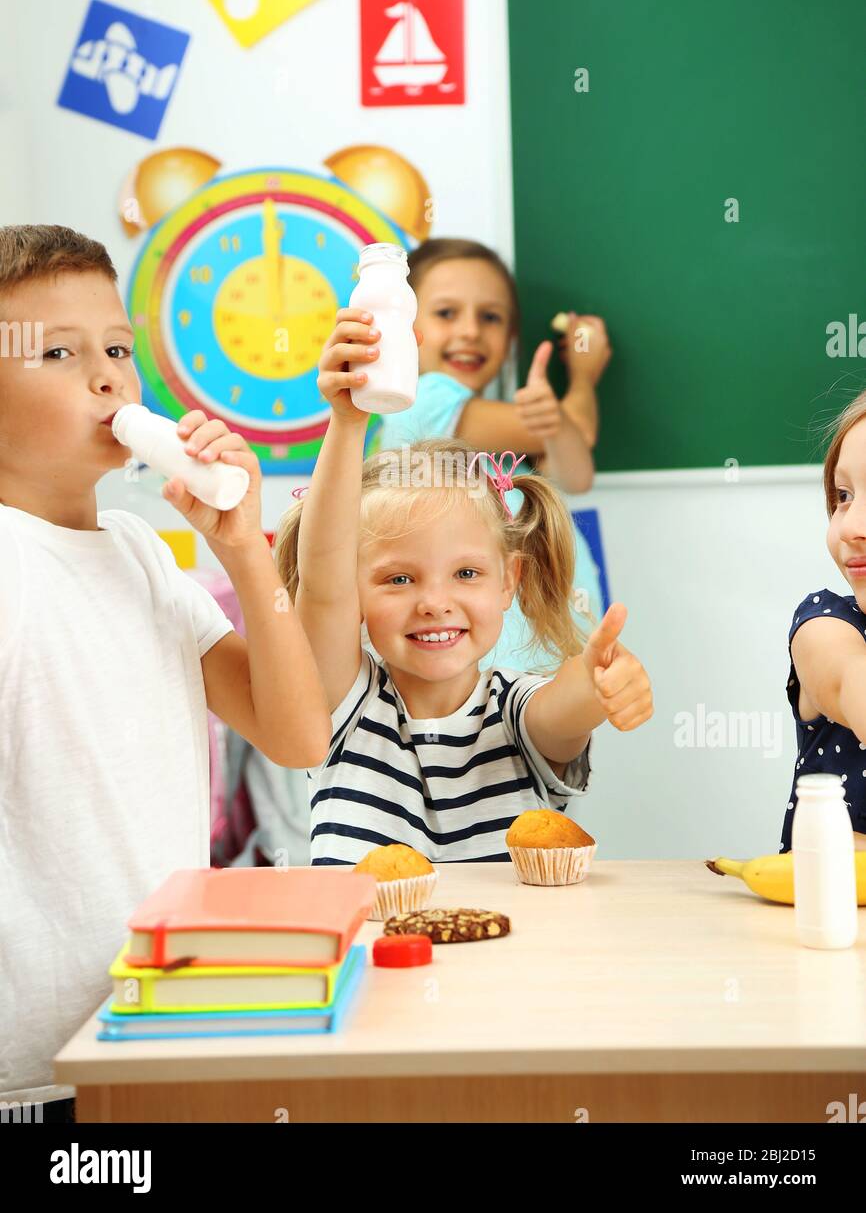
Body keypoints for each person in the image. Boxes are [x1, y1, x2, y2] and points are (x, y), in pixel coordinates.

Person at [0, 225, 331, 1117]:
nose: (107, 376)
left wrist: (247, 550)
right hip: (34, 1068)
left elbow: (297, 735)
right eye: (59, 353)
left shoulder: (141, 551)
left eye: (116, 348)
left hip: (152, 1032)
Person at [274, 304, 652, 865]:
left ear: (509, 581)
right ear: (355, 593)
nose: (434, 602)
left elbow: (560, 714)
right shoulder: (341, 704)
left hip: (505, 954)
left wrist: (597, 684)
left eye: (466, 574)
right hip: (371, 954)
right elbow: (323, 580)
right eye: (399, 578)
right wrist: (348, 420)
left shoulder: (515, 708)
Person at [378, 237, 611, 668]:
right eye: (446, 313)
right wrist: (583, 374)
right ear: (406, 327)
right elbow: (580, 430)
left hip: (545, 682)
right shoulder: (421, 400)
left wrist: (554, 421)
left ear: (510, 338)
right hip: (485, 696)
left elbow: (576, 475)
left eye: (490, 317)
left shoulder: (502, 458)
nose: (469, 331)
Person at [782, 392, 866, 852]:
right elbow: (855, 682)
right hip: (826, 911)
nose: (851, 525)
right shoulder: (825, 625)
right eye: (844, 496)